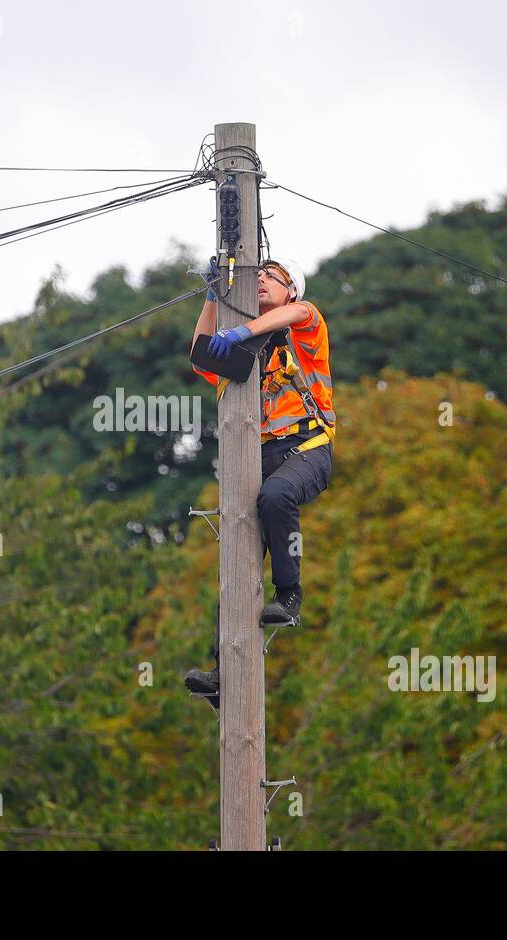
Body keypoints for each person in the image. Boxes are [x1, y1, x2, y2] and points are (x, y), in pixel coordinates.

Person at [184, 257, 335, 709]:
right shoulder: (245, 356)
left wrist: (241, 332)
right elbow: (199, 352)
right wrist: (213, 298)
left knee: (276, 495)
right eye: (258, 276)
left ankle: (289, 594)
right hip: (257, 454)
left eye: (273, 277)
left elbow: (297, 312)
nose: (263, 280)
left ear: (291, 290)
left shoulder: (303, 329)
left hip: (309, 444)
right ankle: (221, 672)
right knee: (236, 560)